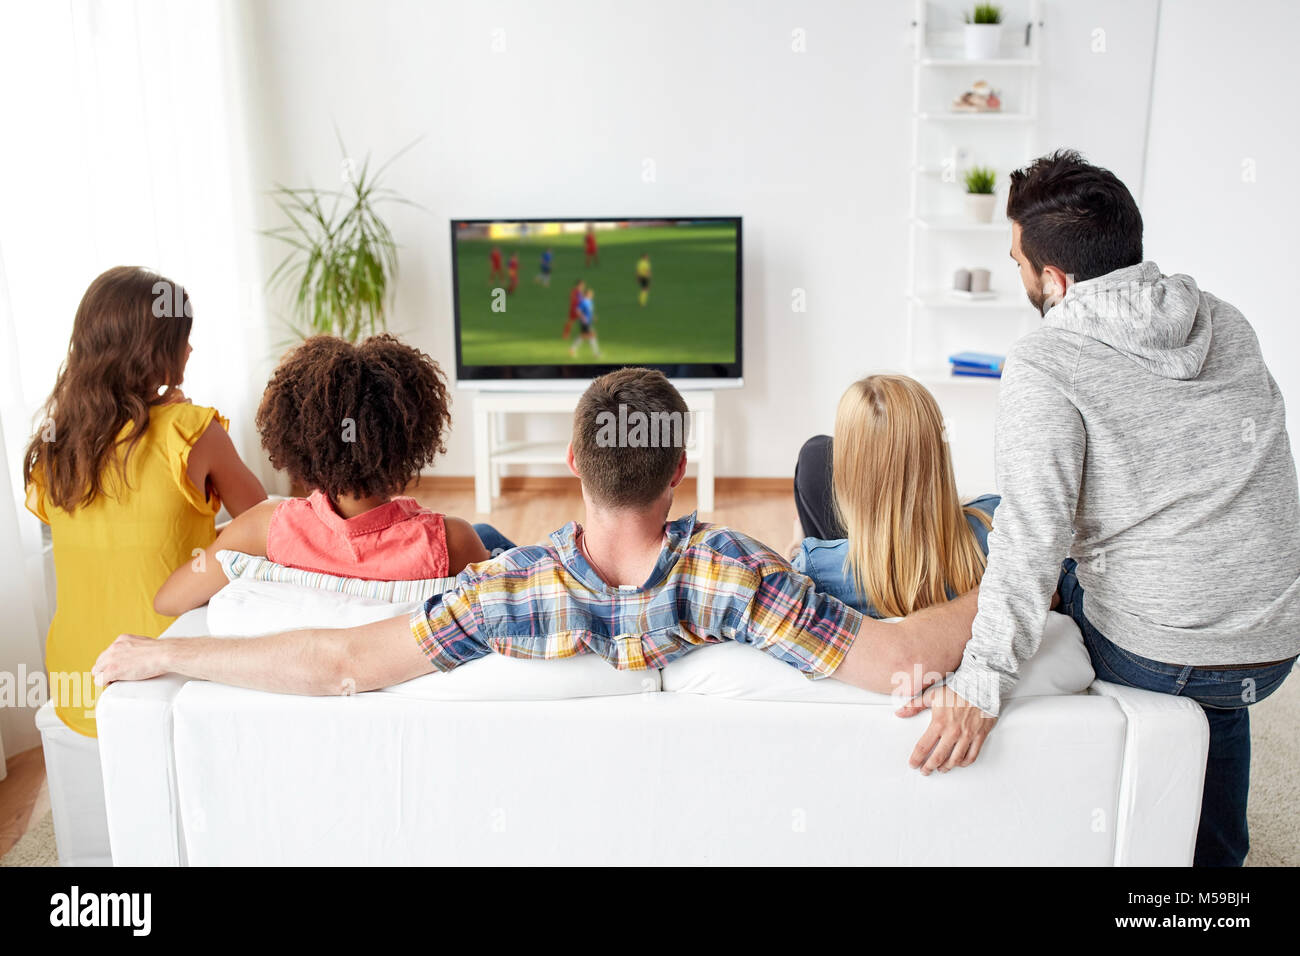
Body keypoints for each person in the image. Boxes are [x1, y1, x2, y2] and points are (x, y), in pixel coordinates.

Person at [94, 368, 983, 731]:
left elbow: (339, 664)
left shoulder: (502, 589)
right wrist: (1021, 578)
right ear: (681, 466)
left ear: (570, 463)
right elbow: (901, 658)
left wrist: (167, 652)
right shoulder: (738, 572)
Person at [925, 149, 1300, 867]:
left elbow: (1033, 540)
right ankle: (1218, 865)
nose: (1020, 277)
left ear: (1055, 280)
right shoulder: (1227, 320)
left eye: (1018, 263)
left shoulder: (1046, 358)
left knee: (998, 527)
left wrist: (982, 681)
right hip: (1275, 637)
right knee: (1214, 684)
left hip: (1161, 652)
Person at [23, 266, 267, 735]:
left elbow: (123, 539)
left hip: (76, 679)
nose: (191, 348)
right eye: (181, 338)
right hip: (164, 672)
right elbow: (262, 524)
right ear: (151, 351)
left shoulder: (53, 447)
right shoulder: (191, 430)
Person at [154, 335, 499, 615]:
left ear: (294, 440)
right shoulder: (452, 540)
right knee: (489, 535)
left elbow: (167, 601)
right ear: (411, 441)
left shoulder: (262, 528)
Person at [792, 375, 998, 621]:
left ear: (846, 472)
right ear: (937, 452)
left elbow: (782, 590)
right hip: (958, 555)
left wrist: (797, 542)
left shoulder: (817, 567)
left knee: (814, 455)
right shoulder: (999, 522)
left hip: (864, 573)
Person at [569, 288, 599, 358]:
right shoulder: (583, 302)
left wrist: (593, 317)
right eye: (591, 294)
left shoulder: (590, 302)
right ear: (587, 294)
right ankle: (596, 353)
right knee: (592, 336)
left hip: (588, 322)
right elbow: (578, 311)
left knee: (583, 336)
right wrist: (583, 318)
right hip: (585, 322)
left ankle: (572, 349)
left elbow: (589, 312)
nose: (592, 295)